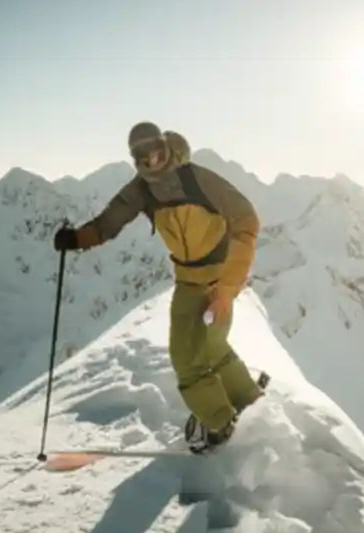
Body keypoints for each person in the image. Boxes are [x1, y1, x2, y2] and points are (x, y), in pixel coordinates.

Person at [53, 122, 262, 453]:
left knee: (192, 358)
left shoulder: (196, 178)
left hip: (222, 277)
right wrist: (77, 239)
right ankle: (246, 400)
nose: (152, 162)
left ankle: (220, 423)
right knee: (204, 350)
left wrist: (226, 289)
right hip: (189, 280)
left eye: (157, 153)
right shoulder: (142, 190)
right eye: (143, 157)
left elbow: (246, 219)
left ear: (166, 148)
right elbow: (109, 222)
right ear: (135, 160)